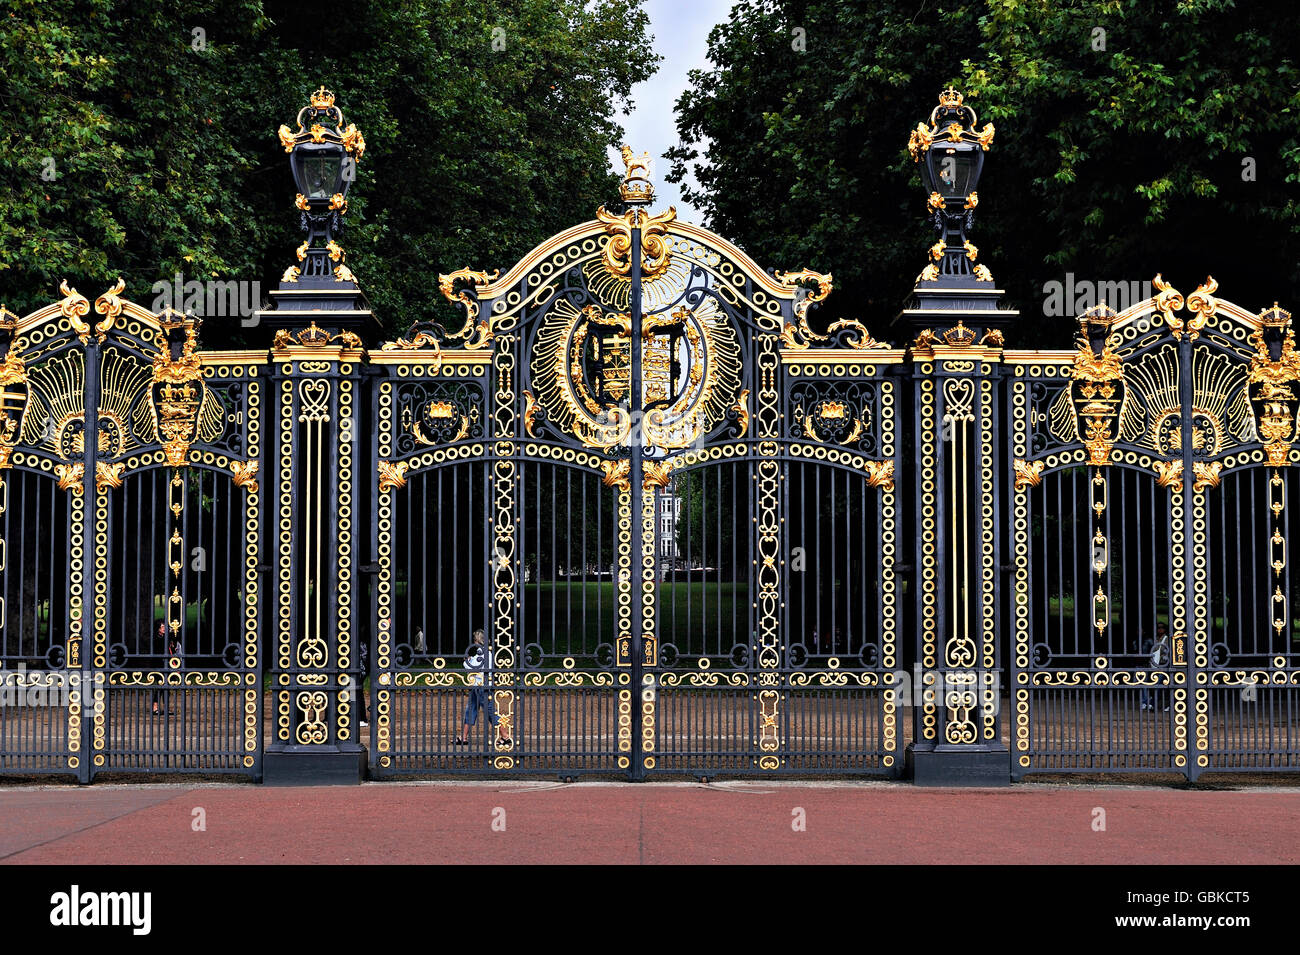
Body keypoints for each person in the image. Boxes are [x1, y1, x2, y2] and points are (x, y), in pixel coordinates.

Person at [454, 629, 510, 747]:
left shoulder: (483, 654)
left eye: (475, 640)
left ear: (477, 641)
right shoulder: (483, 653)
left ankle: (505, 736)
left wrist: (466, 662)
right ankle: (463, 737)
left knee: (490, 712)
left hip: (482, 687)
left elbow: (472, 668)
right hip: (477, 686)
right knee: (470, 710)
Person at [1141, 622, 1171, 712]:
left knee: (1158, 685)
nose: (1160, 629)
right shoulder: (1156, 639)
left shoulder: (1167, 639)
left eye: (1162, 627)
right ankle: (1153, 704)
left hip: (1163, 665)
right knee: (1158, 686)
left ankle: (1152, 703)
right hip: (1156, 665)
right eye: (1158, 628)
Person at [152, 622, 180, 715]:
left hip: (168, 664)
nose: (164, 628)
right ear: (158, 628)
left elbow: (173, 647)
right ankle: (155, 707)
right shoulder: (157, 638)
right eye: (162, 627)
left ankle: (166, 707)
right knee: (160, 686)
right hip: (159, 664)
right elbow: (161, 647)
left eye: (165, 626)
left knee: (167, 687)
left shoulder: (168, 638)